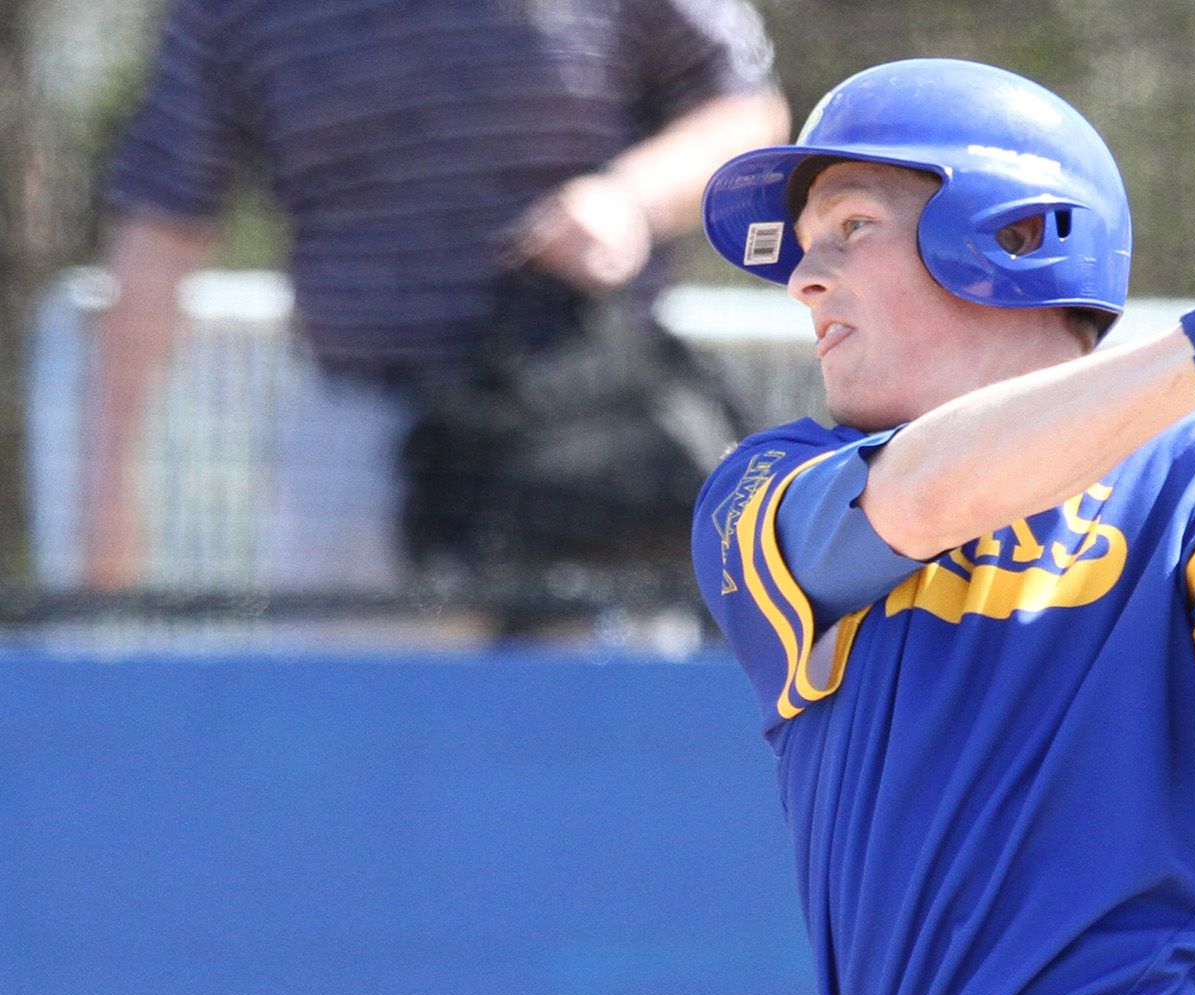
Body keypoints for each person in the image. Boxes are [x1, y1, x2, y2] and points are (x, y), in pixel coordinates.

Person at [693, 59, 1195, 995]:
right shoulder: (769, 483)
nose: (805, 279)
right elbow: (925, 494)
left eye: (850, 227)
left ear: (1017, 234)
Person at [84, 0, 789, 608]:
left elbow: (746, 108)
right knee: (348, 720)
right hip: (363, 448)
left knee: (608, 720)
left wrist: (631, 195)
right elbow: (161, 220)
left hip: (595, 429)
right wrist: (108, 494)